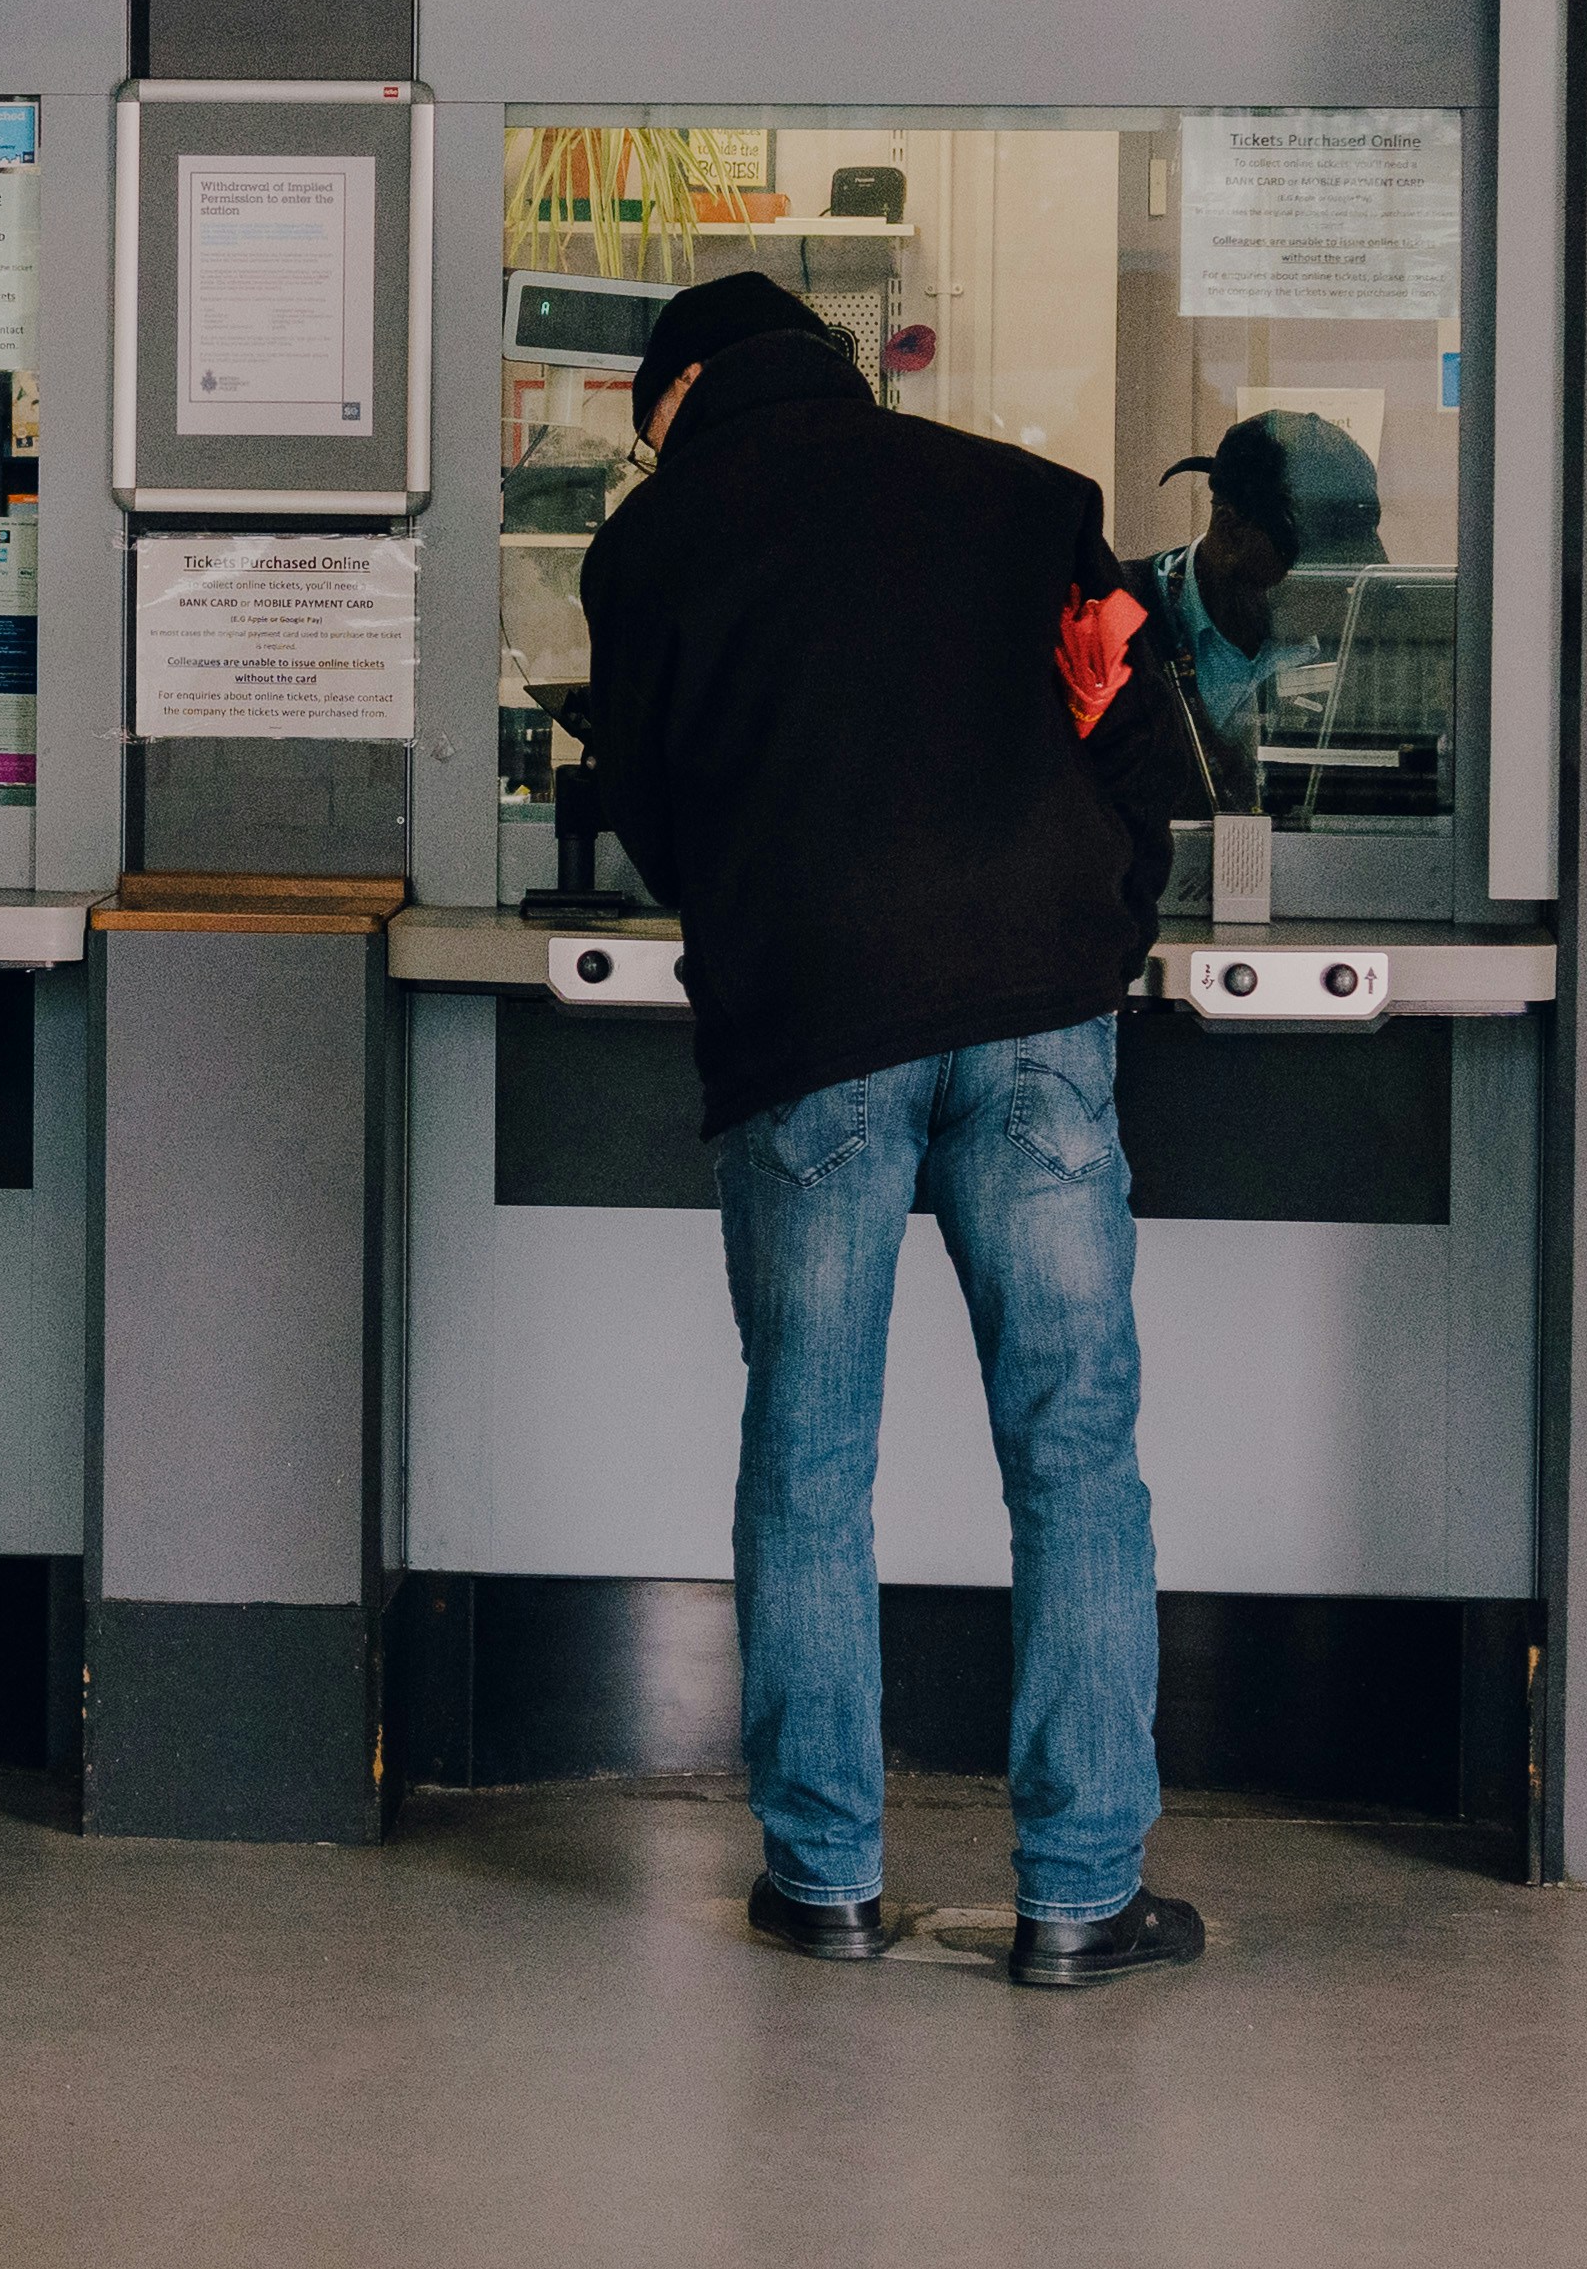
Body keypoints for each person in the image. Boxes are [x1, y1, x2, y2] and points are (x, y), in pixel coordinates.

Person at [575, 273, 1210, 1987]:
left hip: (810, 1033)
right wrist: (1095, 922)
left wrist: (774, 899)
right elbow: (1140, 734)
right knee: (1076, 1452)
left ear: (685, 386)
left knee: (810, 1460)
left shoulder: (648, 546)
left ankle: (824, 1879)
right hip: (1033, 1014)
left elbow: (645, 806)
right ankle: (1080, 1895)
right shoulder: (1022, 500)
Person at [1132, 410, 1388, 781]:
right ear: (1231, 528)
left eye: (1350, 562)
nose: (1340, 584)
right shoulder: (1120, 619)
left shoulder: (1359, 644)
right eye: (1311, 561)